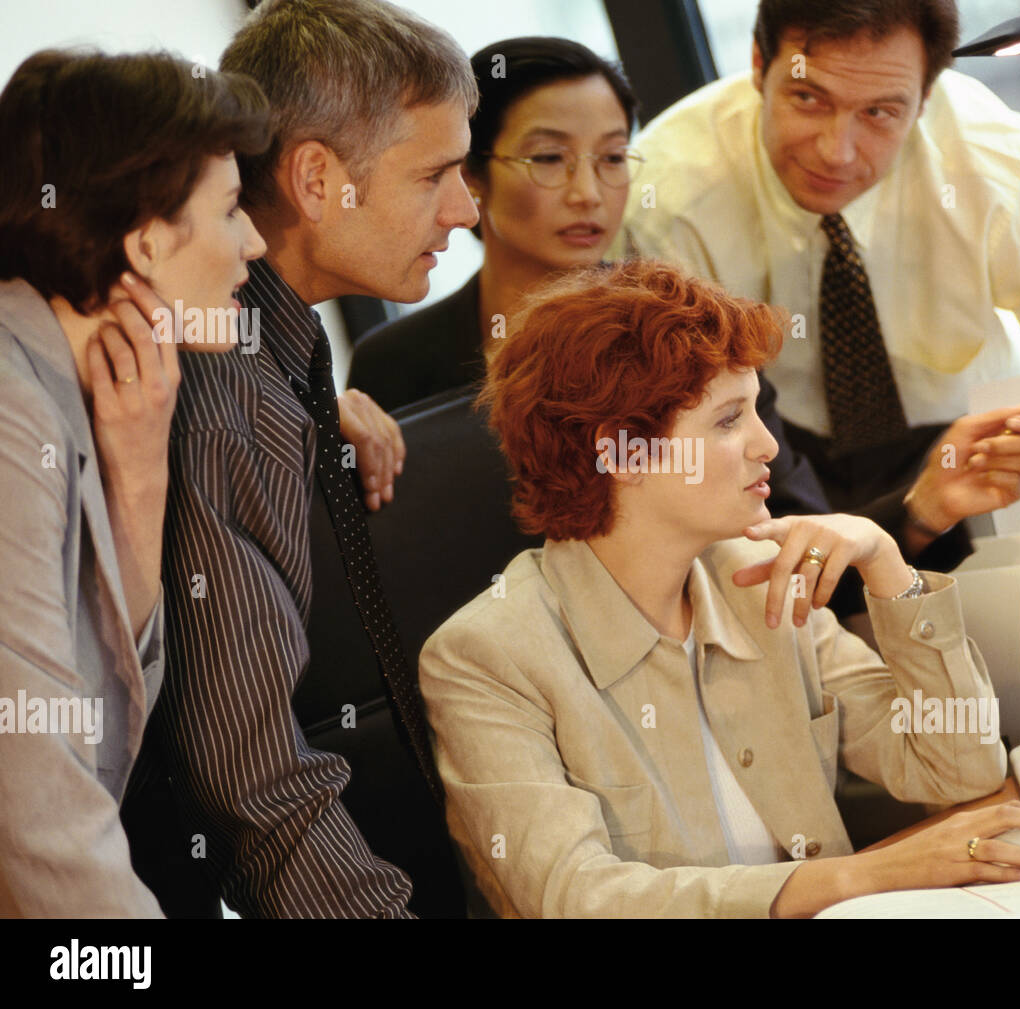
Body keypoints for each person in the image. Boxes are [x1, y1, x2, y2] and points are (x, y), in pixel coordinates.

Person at [420, 259, 1020, 918]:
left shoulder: (755, 580)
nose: (766, 444)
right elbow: (576, 899)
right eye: (729, 419)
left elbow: (960, 769)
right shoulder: (486, 656)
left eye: (756, 410)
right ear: (621, 452)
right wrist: (859, 876)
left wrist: (887, 566)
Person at [123, 0, 479, 918]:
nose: (466, 208)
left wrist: (321, 413)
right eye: (435, 173)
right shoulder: (226, 389)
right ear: (318, 178)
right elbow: (251, 777)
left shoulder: (280, 357)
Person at [619, 0, 1020, 568]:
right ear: (759, 64)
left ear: (925, 99)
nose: (835, 152)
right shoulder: (668, 195)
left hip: (976, 440)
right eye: (808, 98)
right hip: (772, 444)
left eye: (880, 113)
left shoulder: (1002, 165)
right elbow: (684, 430)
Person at [0, 48, 269, 916]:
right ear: (147, 239)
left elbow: (108, 730)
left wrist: (141, 469)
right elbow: (40, 807)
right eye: (231, 209)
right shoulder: (10, 409)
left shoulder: (72, 387)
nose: (255, 242)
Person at [349, 36, 639, 411]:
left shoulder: (677, 328)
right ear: (470, 176)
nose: (588, 193)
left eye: (613, 157)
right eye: (549, 157)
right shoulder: (392, 365)